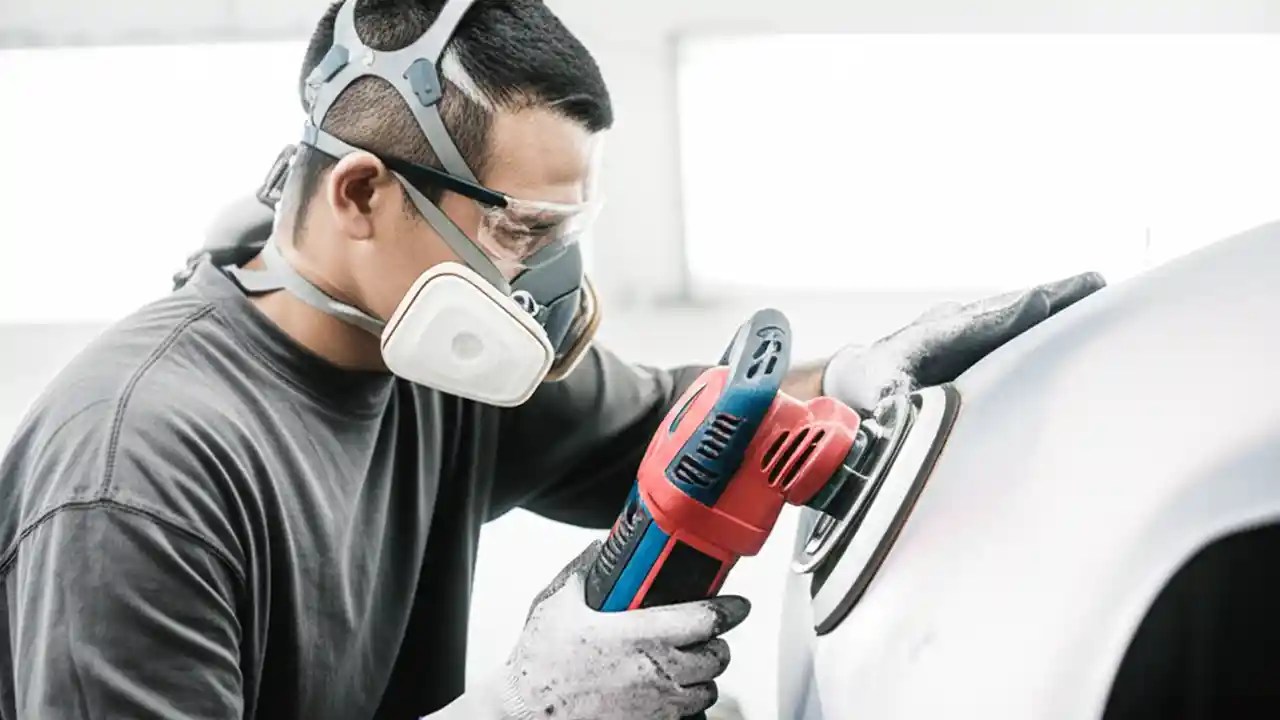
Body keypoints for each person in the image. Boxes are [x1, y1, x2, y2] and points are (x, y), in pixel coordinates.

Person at [0, 0, 1105, 718]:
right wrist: (519, 707)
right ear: (361, 194)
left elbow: (672, 435)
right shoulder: (136, 477)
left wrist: (863, 377)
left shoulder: (427, 360)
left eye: (561, 238)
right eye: (521, 235)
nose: (545, 289)